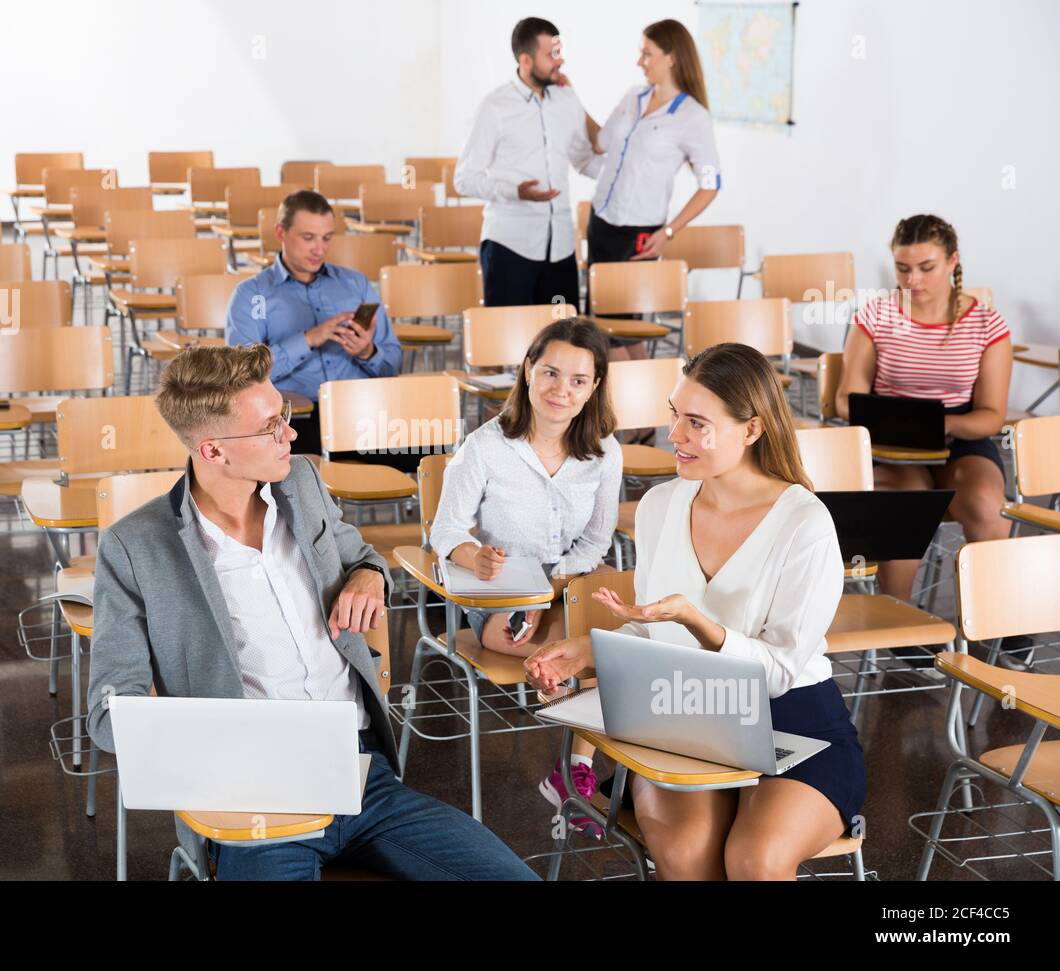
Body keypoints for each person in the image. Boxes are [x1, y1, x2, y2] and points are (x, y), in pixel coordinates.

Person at [85, 343, 537, 881]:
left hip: (360, 772)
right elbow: (110, 714)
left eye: (286, 417)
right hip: (252, 802)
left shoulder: (301, 481)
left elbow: (364, 558)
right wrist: (208, 756)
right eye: (271, 427)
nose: (291, 435)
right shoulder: (135, 547)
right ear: (212, 452)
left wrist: (369, 578)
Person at [526, 343, 865, 880]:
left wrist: (699, 622)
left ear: (751, 430)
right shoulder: (662, 505)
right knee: (686, 856)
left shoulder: (806, 523)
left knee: (755, 860)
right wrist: (590, 650)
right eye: (673, 416)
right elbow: (648, 625)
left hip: (793, 721)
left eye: (696, 423)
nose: (674, 436)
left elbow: (781, 671)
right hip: (684, 712)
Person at [430, 318, 620, 829]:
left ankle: (575, 771)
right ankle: (584, 771)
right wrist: (474, 556)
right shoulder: (485, 447)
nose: (563, 390)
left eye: (579, 380)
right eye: (551, 373)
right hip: (501, 597)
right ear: (528, 371)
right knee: (589, 659)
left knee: (618, 650)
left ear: (594, 387)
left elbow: (596, 542)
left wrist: (551, 592)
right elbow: (446, 529)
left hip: (569, 589)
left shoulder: (605, 453)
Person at [835, 215, 1012, 606]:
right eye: (903, 268)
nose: (912, 280)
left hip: (959, 438)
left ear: (952, 261)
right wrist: (900, 423)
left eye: (926, 268)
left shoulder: (986, 324)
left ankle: (1001, 622)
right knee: (907, 499)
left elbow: (992, 414)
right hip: (893, 445)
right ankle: (900, 623)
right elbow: (846, 398)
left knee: (985, 500)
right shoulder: (876, 317)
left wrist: (942, 424)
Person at [225, 189, 403, 461]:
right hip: (293, 422)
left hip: (363, 414)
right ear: (281, 233)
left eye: (326, 238)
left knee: (435, 450)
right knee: (295, 474)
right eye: (308, 238)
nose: (320, 249)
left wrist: (367, 352)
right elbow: (242, 375)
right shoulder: (251, 294)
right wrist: (308, 339)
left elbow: (393, 363)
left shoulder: (356, 284)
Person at [587, 19, 720, 362]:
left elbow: (710, 184)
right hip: (601, 220)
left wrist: (670, 231)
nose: (639, 61)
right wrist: (570, 99)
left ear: (672, 57)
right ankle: (648, 405)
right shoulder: (633, 97)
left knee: (611, 330)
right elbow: (601, 142)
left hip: (639, 232)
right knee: (612, 324)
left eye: (647, 53)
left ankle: (630, 412)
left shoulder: (693, 117)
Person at [454, 17, 602, 308]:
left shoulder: (566, 100)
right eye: (551, 55)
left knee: (563, 337)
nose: (559, 61)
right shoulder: (494, 107)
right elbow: (463, 179)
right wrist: (515, 191)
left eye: (559, 52)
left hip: (559, 247)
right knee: (509, 346)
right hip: (510, 245)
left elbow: (583, 158)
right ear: (525, 59)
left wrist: (624, 176)